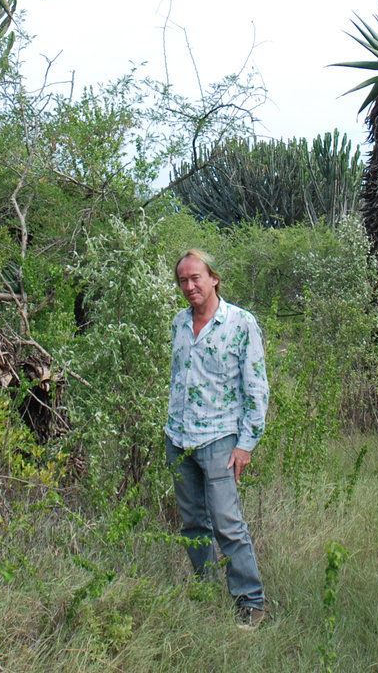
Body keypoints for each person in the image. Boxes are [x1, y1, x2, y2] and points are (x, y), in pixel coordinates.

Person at [165, 248, 269, 630]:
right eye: (183, 280)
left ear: (213, 279)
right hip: (178, 437)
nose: (190, 286)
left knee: (227, 523)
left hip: (220, 440)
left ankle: (251, 602)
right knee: (193, 523)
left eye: (196, 278)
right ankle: (205, 591)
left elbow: (257, 388)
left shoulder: (241, 323)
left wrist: (246, 444)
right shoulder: (179, 322)